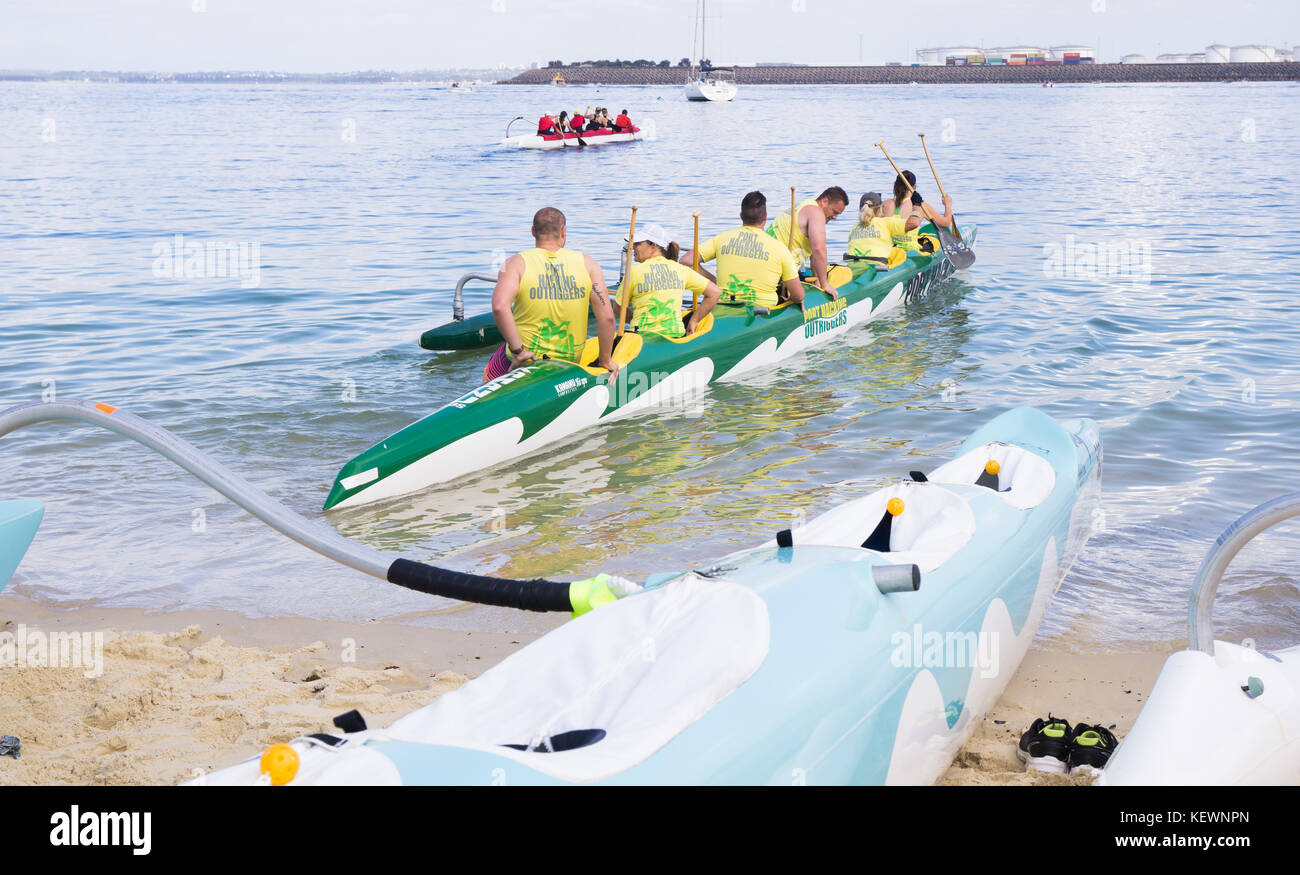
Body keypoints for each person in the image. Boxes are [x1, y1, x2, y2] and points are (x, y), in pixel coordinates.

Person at [485, 207, 618, 383]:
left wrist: (519, 352)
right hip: (568, 363)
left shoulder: (515, 263)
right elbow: (608, 318)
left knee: (489, 375)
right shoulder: (588, 264)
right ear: (563, 231)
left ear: (533, 232)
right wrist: (605, 360)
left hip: (526, 360)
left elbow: (499, 307)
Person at [678, 191, 804, 309]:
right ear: (765, 216)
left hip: (724, 305)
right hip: (762, 310)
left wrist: (714, 283)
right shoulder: (780, 248)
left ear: (741, 216)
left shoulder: (722, 239)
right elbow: (798, 296)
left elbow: (686, 260)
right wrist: (789, 299)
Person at [617, 224, 721, 338]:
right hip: (675, 336)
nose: (632, 247)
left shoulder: (633, 272)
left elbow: (618, 308)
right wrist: (694, 321)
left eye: (638, 243)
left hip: (643, 336)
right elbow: (715, 292)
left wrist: (634, 319)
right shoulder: (681, 269)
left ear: (653, 245)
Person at [765, 186, 848, 298]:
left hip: (764, 263)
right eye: (834, 212)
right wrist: (825, 285)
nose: (835, 217)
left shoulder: (804, 205)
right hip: (774, 274)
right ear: (824, 201)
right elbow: (819, 249)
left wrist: (817, 278)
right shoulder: (816, 213)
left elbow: (813, 252)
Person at [881, 170, 954, 252]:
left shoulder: (884, 204)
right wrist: (948, 205)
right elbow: (946, 223)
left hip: (889, 248)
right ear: (914, 187)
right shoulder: (921, 207)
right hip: (910, 250)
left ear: (895, 185)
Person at [845, 192, 909, 266]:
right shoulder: (886, 222)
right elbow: (913, 224)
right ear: (879, 209)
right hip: (877, 265)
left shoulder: (854, 228)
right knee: (899, 252)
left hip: (852, 265)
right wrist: (916, 206)